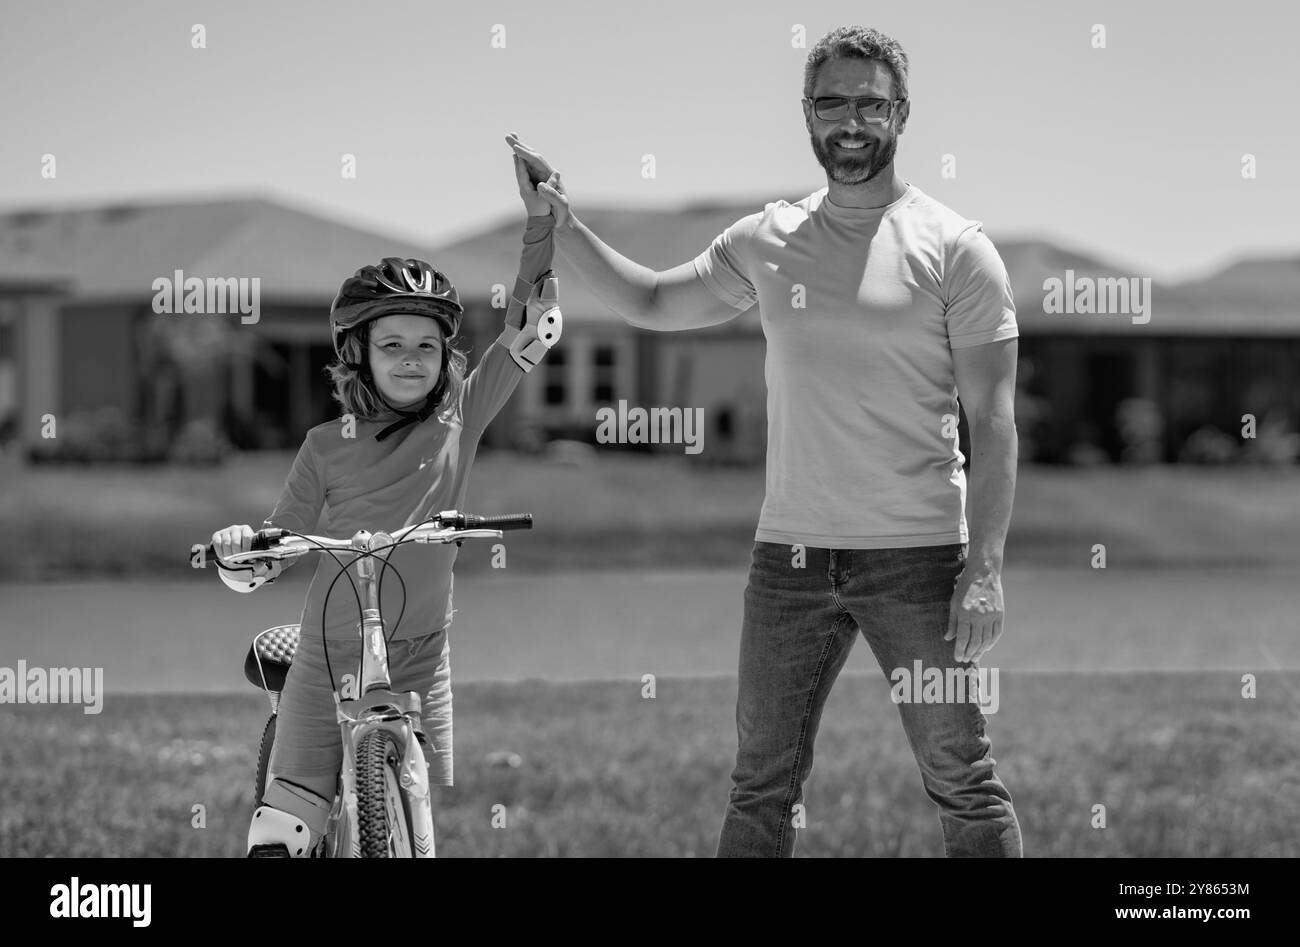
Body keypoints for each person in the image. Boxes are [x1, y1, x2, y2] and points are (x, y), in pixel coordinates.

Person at [507, 24, 1022, 857]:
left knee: (962, 776)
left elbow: (993, 421)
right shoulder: (768, 240)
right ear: (807, 114)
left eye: (869, 103)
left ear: (902, 113)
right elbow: (650, 302)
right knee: (760, 788)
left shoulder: (957, 250)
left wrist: (986, 569)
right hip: (789, 561)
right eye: (832, 103)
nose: (850, 121)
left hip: (919, 558)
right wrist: (560, 223)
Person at [211, 204, 562, 857]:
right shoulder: (324, 446)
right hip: (327, 650)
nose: (411, 360)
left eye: (427, 345)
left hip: (420, 651)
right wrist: (243, 550)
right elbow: (276, 543)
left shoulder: (463, 412)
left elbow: (532, 326)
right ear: (357, 353)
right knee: (282, 826)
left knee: (417, 811)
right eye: (392, 345)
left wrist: (540, 223)